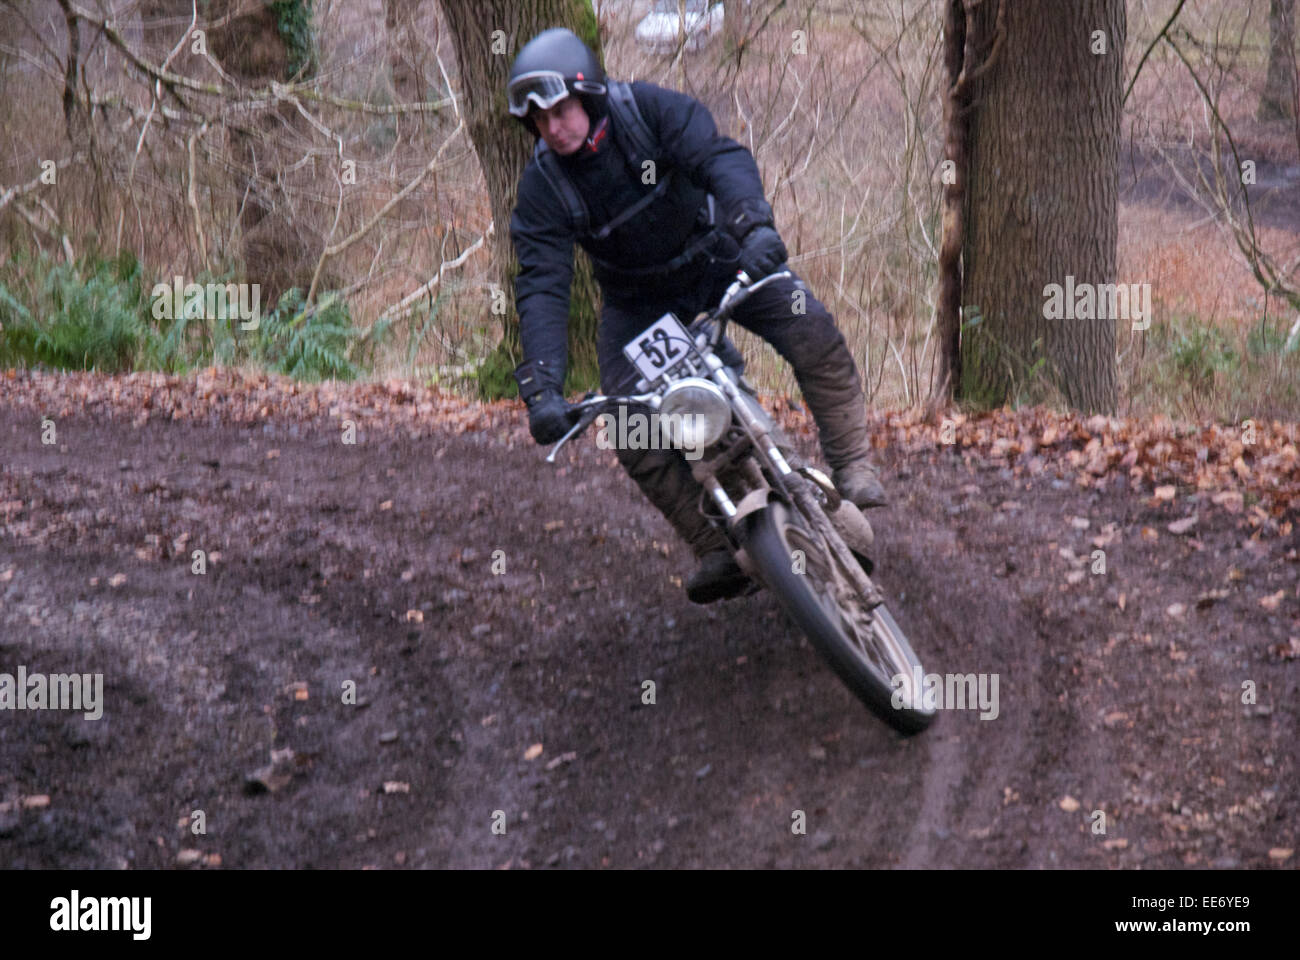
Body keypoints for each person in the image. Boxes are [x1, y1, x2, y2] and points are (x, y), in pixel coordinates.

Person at [507, 27, 886, 604]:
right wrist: (542, 389)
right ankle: (716, 545)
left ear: (588, 96)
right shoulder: (543, 188)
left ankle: (853, 464)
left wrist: (754, 224)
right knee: (633, 430)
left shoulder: (649, 112)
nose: (553, 128)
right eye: (540, 120)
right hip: (639, 304)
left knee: (809, 327)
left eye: (560, 110)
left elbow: (720, 158)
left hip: (720, 253)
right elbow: (542, 284)